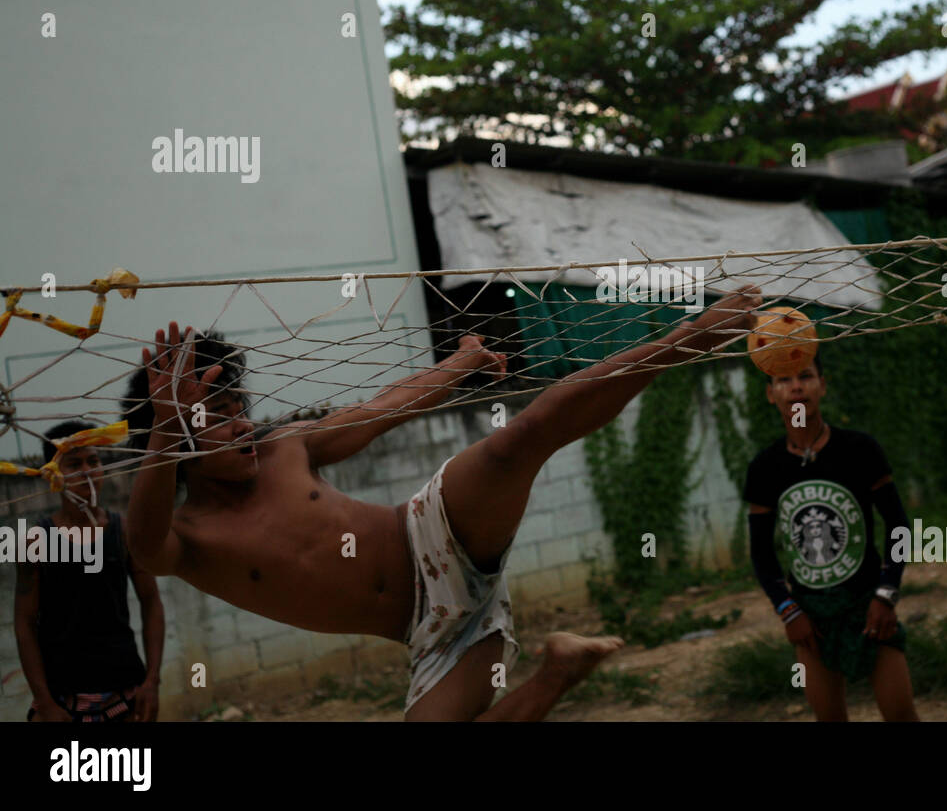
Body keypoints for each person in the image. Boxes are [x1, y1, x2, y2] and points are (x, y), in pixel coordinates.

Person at [122, 289, 758, 721]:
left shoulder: (285, 445)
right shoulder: (187, 536)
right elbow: (143, 545)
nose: (240, 426)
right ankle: (558, 668)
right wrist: (163, 430)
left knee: (519, 441)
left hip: (433, 531)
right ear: (174, 443)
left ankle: (699, 332)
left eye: (240, 409)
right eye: (214, 418)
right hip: (433, 636)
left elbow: (387, 406)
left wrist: (462, 362)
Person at [744, 353, 920, 721]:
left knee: (901, 714)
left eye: (805, 376)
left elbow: (898, 525)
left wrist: (886, 594)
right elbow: (761, 554)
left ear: (822, 386)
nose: (796, 387)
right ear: (770, 394)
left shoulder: (860, 449)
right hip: (810, 616)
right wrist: (788, 610)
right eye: (783, 381)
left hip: (868, 605)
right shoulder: (764, 468)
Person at [14, 421, 165, 722]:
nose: (87, 470)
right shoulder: (35, 540)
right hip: (62, 701)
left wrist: (151, 682)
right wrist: (44, 702)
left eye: (93, 461)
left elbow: (151, 602)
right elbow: (25, 622)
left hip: (125, 695)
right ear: (52, 474)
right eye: (74, 464)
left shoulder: (124, 531)